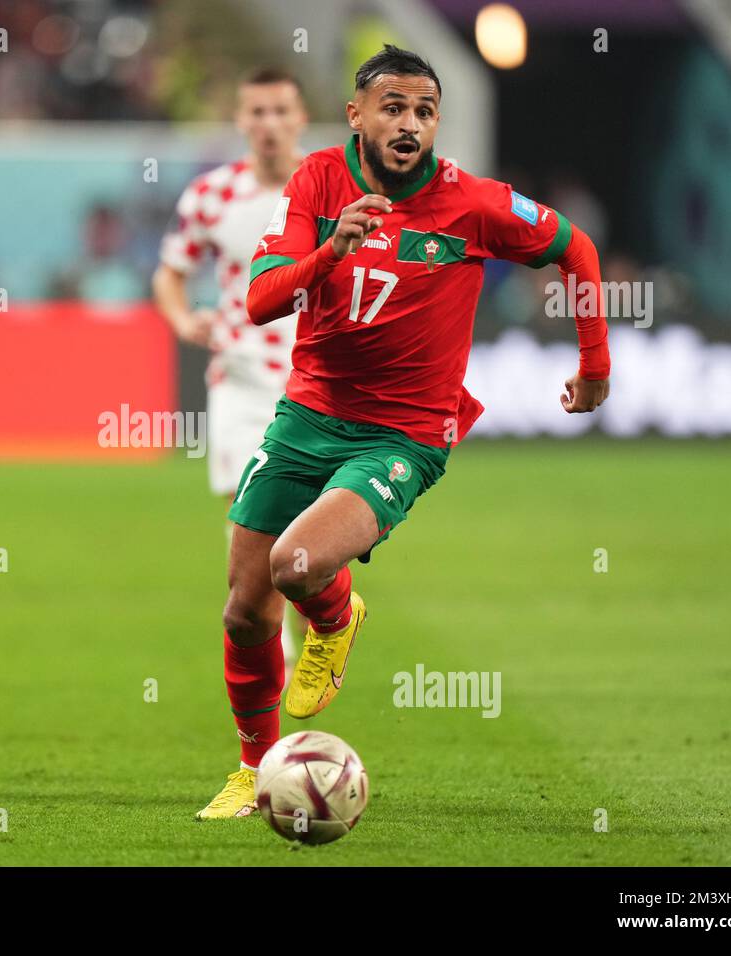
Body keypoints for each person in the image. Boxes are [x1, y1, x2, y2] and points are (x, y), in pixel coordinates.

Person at [197, 45, 610, 818]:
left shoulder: (473, 203)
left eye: (423, 111)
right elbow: (259, 302)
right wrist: (331, 249)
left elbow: (575, 250)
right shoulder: (319, 180)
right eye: (393, 107)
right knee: (242, 612)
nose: (409, 124)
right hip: (305, 416)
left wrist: (595, 368)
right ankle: (253, 775)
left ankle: (335, 613)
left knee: (295, 568)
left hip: (401, 435)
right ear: (356, 116)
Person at [153, 67, 308, 675]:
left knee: (311, 518)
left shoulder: (331, 186)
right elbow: (170, 270)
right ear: (241, 121)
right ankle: (280, 650)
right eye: (257, 113)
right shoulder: (210, 195)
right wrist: (180, 317)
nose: (268, 124)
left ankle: (318, 625)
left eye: (280, 111)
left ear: (300, 117)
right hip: (241, 375)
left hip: (316, 375)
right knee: (249, 513)